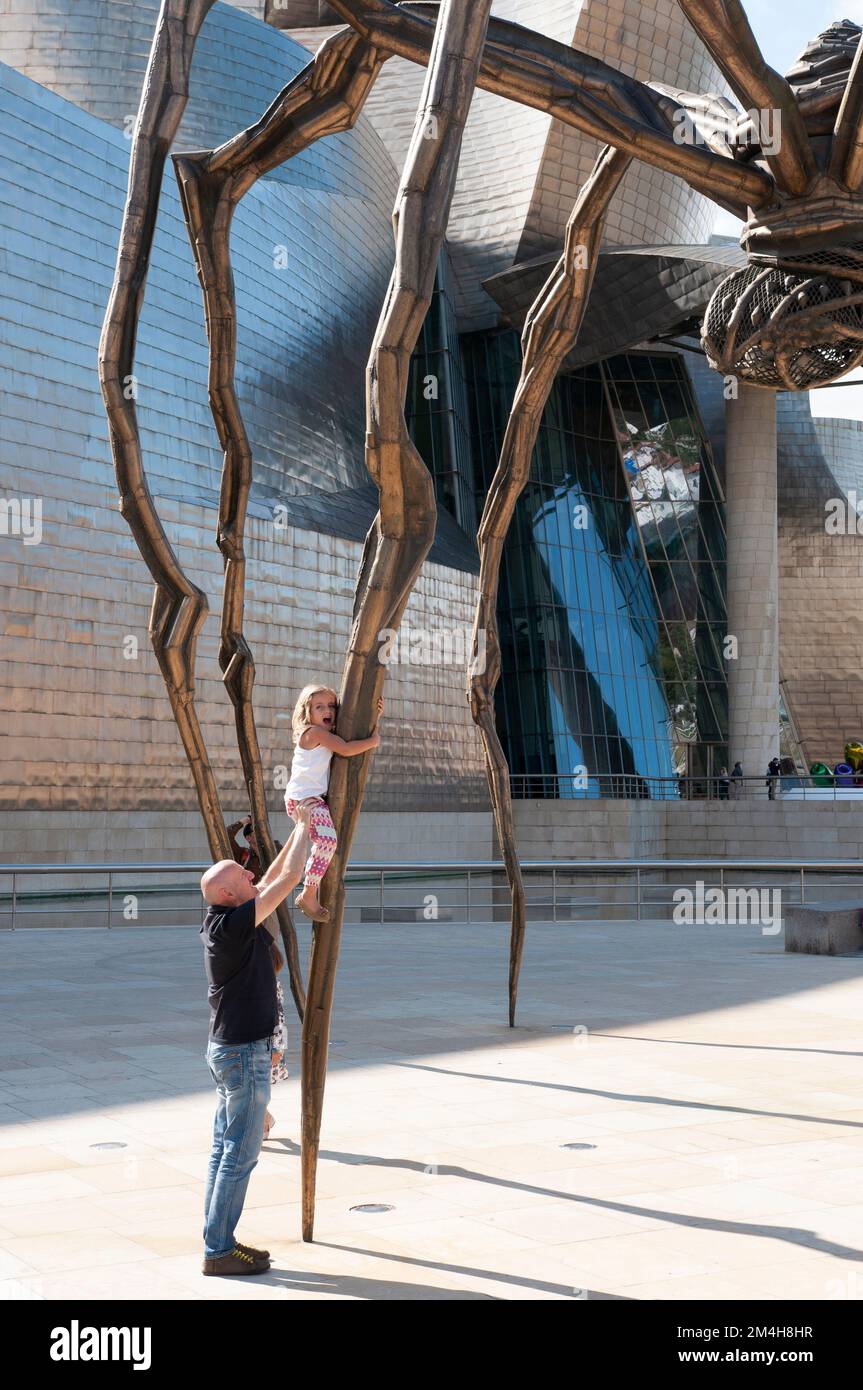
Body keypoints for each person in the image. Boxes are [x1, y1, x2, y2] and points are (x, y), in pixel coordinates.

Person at [199, 805, 311, 1277]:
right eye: (241, 878)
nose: (251, 876)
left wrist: (298, 831)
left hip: (232, 1050)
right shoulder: (230, 926)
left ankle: (216, 1240)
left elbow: (274, 877)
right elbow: (284, 884)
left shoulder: (223, 919)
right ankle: (219, 1250)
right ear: (228, 894)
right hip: (243, 1053)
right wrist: (309, 824)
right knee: (238, 1157)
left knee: (224, 1148)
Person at [284, 684, 383, 922]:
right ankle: (308, 893)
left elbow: (348, 734)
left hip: (309, 798)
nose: (327, 710)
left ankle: (309, 890)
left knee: (323, 842)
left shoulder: (323, 733)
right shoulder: (313, 733)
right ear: (307, 712)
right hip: (304, 800)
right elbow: (347, 748)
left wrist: (375, 716)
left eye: (331, 706)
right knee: (327, 841)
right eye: (319, 707)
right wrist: (375, 740)